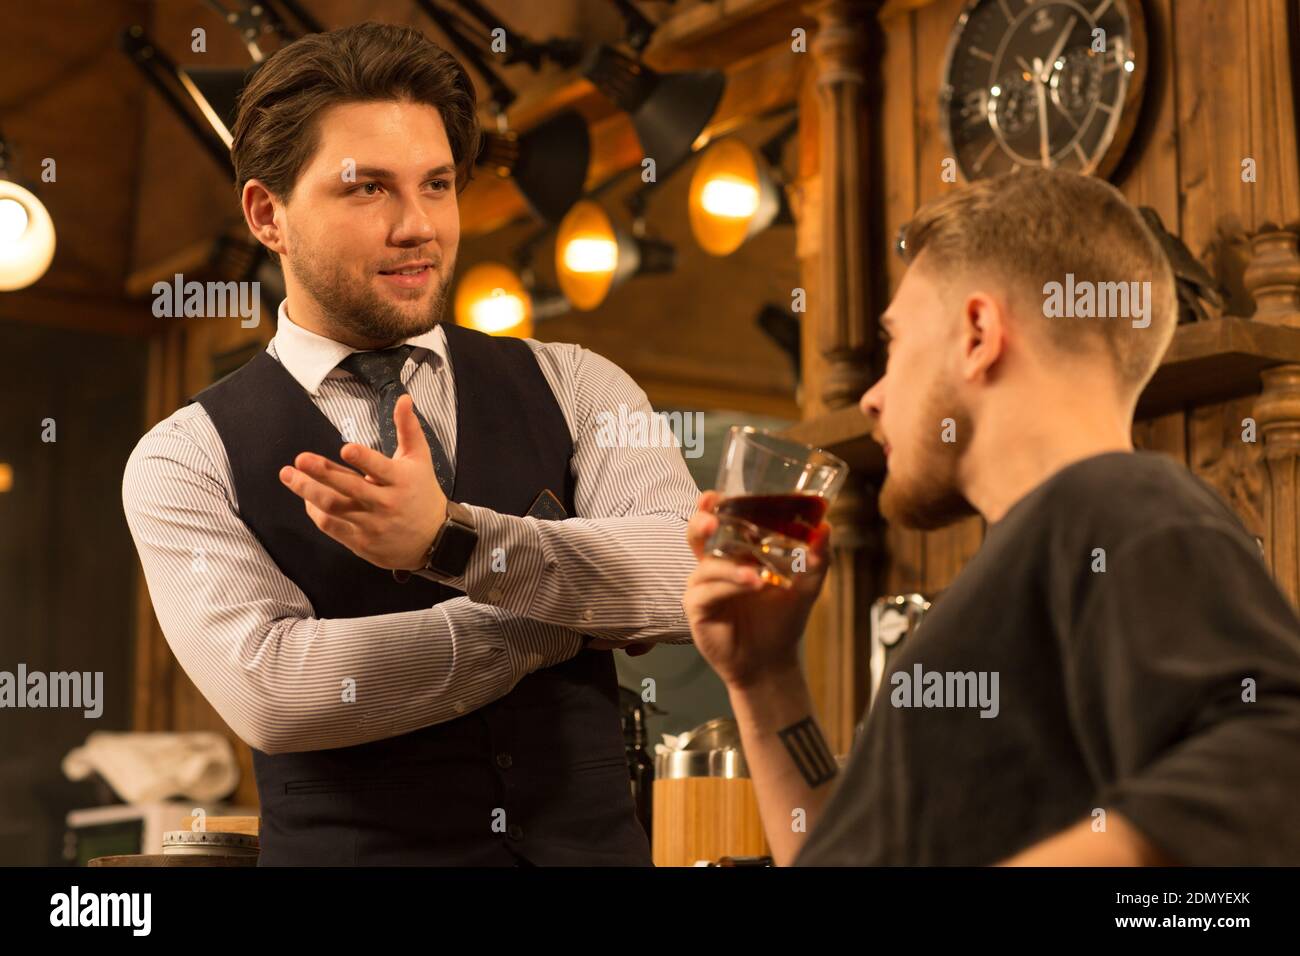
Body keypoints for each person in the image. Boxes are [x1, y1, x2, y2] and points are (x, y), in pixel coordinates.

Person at [122, 22, 695, 866]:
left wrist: (453, 543)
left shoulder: (577, 382)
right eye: (368, 190)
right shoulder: (184, 459)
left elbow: (685, 580)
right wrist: (565, 621)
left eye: (436, 185)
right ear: (267, 213)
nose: (417, 226)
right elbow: (279, 693)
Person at [683, 168, 1300, 866]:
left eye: (893, 344)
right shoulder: (1034, 564)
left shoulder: (1116, 502)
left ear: (977, 332)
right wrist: (763, 679)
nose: (873, 399)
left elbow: (1275, 771)